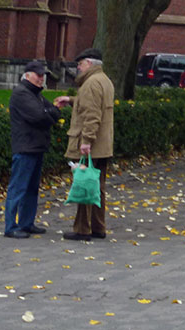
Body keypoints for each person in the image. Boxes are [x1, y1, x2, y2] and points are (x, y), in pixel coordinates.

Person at [5, 61, 70, 239]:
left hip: (35, 147)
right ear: (27, 75)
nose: (41, 78)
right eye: (38, 75)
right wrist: (54, 110)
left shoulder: (36, 95)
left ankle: (26, 223)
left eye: (43, 75)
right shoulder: (22, 93)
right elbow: (40, 117)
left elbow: (48, 113)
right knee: (18, 187)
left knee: (32, 188)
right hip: (25, 147)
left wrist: (51, 111)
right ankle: (10, 226)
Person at [64, 49, 114, 241]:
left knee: (84, 184)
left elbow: (92, 115)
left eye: (81, 63)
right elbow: (93, 104)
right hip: (103, 145)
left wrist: (86, 141)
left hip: (90, 145)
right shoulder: (104, 80)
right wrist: (70, 100)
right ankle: (98, 227)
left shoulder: (90, 84)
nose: (78, 67)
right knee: (97, 187)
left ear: (90, 64)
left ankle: (82, 229)